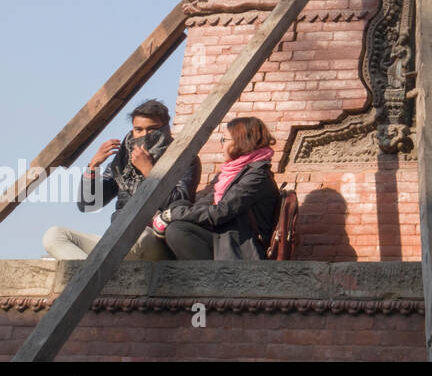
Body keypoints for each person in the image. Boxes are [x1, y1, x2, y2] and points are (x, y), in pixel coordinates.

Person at [43, 99, 197, 261]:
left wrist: (148, 171)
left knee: (140, 236)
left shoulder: (184, 158)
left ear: (166, 129)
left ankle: (97, 274)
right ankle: (93, 279)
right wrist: (93, 166)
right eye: (138, 130)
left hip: (154, 240)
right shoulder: (123, 161)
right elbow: (88, 204)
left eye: (152, 129)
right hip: (117, 238)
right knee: (54, 235)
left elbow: (179, 202)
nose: (144, 135)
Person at [157, 116, 280, 260]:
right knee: (180, 205)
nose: (221, 146)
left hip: (240, 246)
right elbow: (206, 202)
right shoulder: (233, 172)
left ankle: (209, 279)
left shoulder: (256, 177)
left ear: (241, 142)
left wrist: (170, 216)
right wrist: (175, 212)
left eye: (224, 140)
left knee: (178, 230)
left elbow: (220, 213)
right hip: (224, 235)